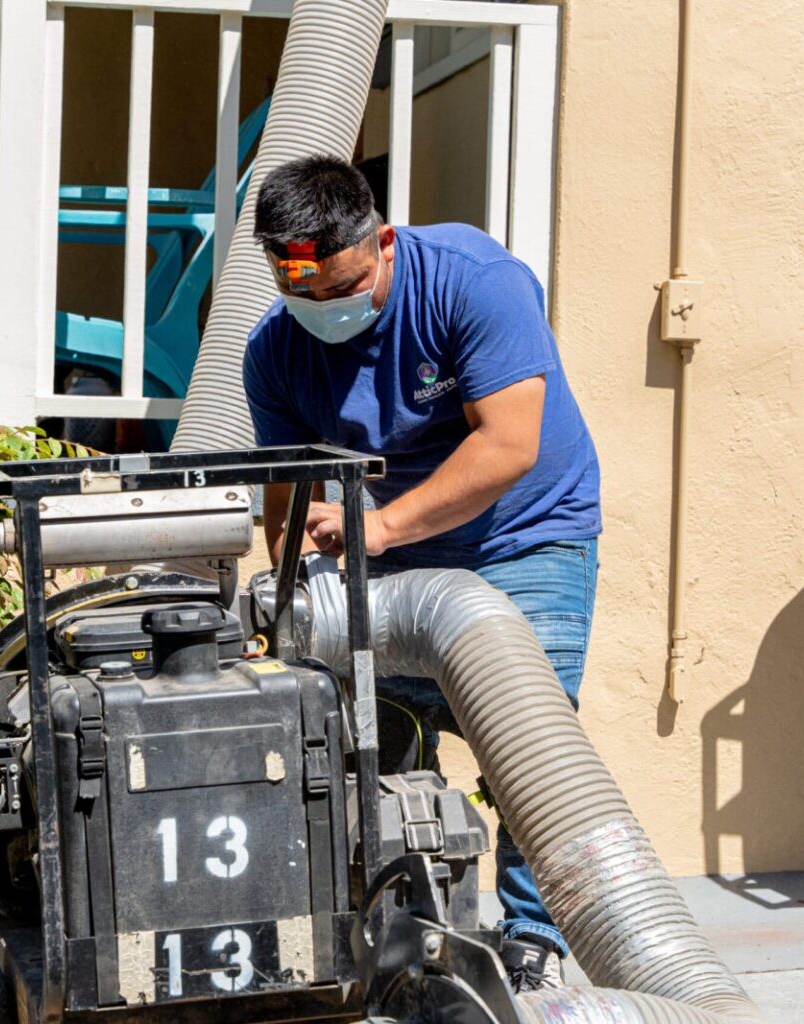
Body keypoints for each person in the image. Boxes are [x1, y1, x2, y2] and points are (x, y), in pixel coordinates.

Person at [242, 155, 601, 992]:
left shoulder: (473, 281)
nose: (324, 308)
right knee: (381, 738)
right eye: (304, 293)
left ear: (385, 243)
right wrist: (294, 586)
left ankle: (533, 940)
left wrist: (379, 526)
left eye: (342, 288)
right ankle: (416, 926)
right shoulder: (276, 349)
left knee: (529, 749)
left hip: (526, 537)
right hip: (393, 551)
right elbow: (286, 498)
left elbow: (508, 445)